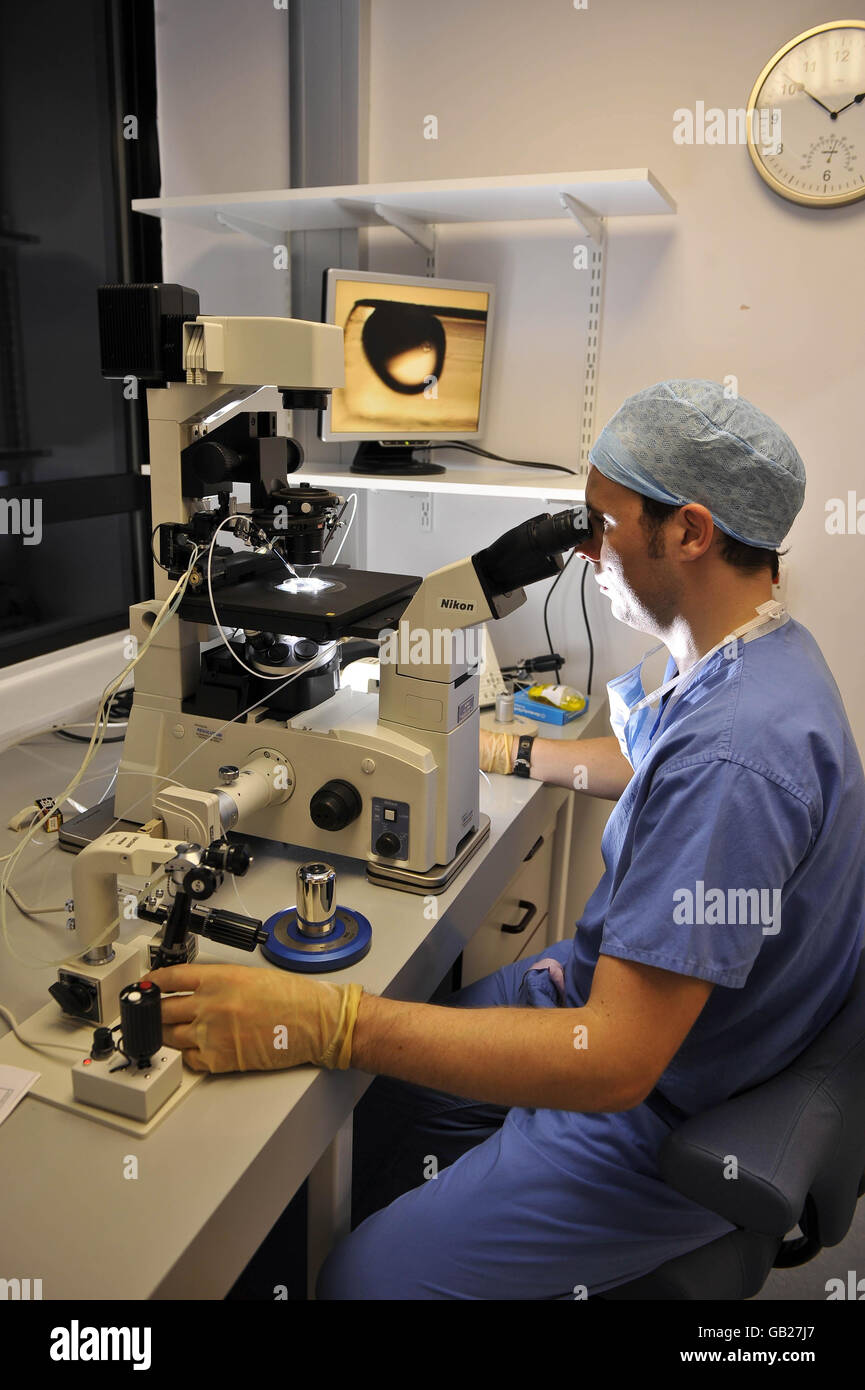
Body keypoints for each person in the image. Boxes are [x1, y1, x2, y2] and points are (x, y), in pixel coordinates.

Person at [147, 380, 865, 1300]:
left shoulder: (738, 756)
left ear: (688, 531)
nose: (587, 553)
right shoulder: (758, 658)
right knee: (380, 1103)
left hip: (657, 1103)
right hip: (602, 1001)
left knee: (366, 1279)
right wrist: (510, 748)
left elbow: (611, 1061)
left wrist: (331, 1021)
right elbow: (648, 764)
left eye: (599, 523)